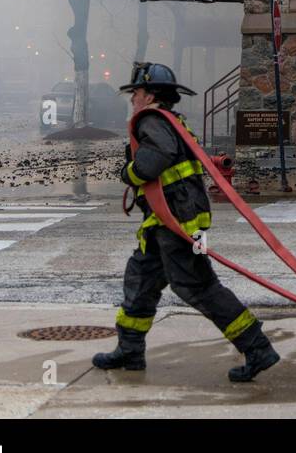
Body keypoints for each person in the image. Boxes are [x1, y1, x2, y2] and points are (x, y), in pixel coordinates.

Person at [92, 62, 280, 382]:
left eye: (135, 92)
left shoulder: (150, 119)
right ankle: (130, 349)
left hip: (175, 223)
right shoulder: (171, 120)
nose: (132, 98)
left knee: (198, 286)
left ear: (149, 95)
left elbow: (158, 156)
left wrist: (129, 174)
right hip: (165, 221)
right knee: (141, 279)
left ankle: (256, 347)